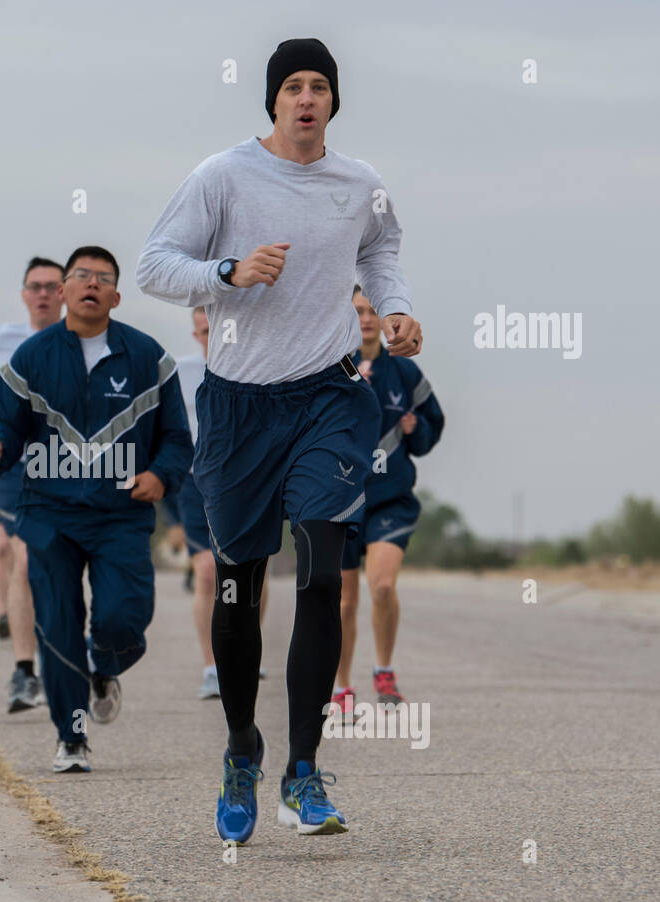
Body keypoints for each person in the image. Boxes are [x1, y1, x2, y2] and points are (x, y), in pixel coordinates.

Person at [137, 38, 423, 840]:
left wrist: (394, 309)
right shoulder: (223, 176)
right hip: (236, 407)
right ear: (272, 101)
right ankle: (241, 749)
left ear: (333, 102)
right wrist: (226, 273)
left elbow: (382, 249)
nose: (306, 98)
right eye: (292, 86)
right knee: (239, 584)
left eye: (319, 87)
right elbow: (156, 264)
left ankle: (303, 769)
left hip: (329, 396)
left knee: (323, 568)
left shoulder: (359, 185)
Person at [0, 246, 192, 773]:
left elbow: (176, 437)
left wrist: (161, 476)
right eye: (81, 276)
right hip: (49, 514)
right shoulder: (31, 357)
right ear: (65, 292)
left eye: (102, 278)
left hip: (120, 514)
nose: (90, 283)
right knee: (58, 623)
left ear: (116, 296)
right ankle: (71, 737)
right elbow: (3, 421)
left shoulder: (149, 358)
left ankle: (106, 663)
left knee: (124, 615)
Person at [334, 286, 444, 711]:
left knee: (381, 585)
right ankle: (341, 686)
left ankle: (384, 671)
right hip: (340, 501)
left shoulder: (404, 373)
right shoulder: (330, 368)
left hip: (389, 500)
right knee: (343, 602)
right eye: (356, 311)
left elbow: (433, 424)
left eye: (371, 311)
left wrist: (419, 432)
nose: (364, 319)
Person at [0, 257, 65, 712]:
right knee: (24, 556)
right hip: (15, 468)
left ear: (65, 293)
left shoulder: (87, 341)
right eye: (36, 286)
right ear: (25, 294)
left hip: (70, 467)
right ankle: (26, 672)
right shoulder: (2, 339)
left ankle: (71, 649)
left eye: (52, 286)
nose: (44, 293)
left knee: (64, 559)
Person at [177, 307, 269, 700]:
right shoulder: (178, 372)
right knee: (206, 574)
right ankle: (212, 667)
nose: (209, 337)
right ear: (195, 333)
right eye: (202, 331)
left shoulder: (257, 365)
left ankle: (247, 651)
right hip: (195, 481)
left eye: (216, 329)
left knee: (252, 572)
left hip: (248, 480)